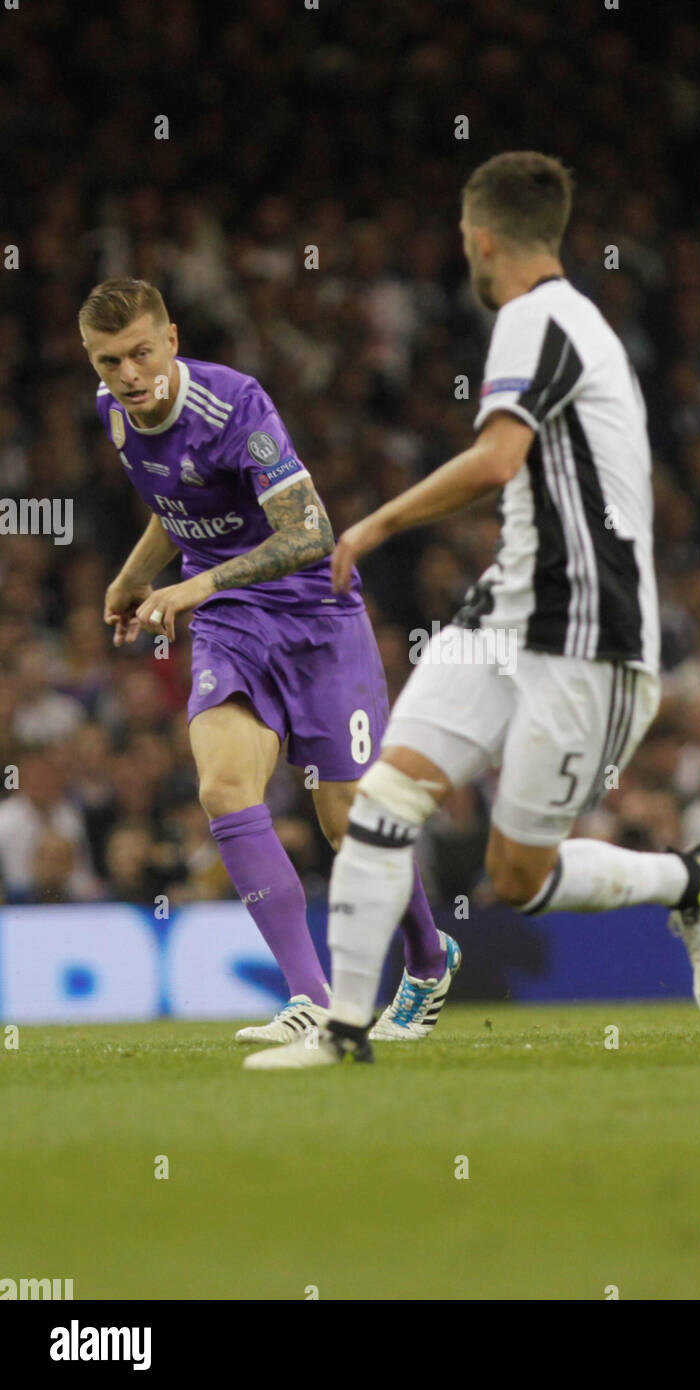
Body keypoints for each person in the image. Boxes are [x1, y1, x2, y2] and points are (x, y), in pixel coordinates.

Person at [244, 151, 700, 1071]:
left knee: (517, 878)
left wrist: (374, 524)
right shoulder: (568, 323)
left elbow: (496, 459)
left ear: (478, 237)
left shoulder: (536, 316)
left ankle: (688, 880)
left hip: (586, 631)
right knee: (385, 798)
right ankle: (346, 1028)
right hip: (502, 612)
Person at [80, 279, 458, 1045]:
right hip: (229, 624)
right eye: (108, 360)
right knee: (222, 785)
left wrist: (196, 582)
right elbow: (176, 507)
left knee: (347, 821)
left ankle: (427, 959)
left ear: (172, 340)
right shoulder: (113, 414)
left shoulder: (235, 405)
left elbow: (311, 533)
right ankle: (311, 997)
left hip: (318, 619)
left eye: (140, 353)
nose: (127, 374)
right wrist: (132, 578)